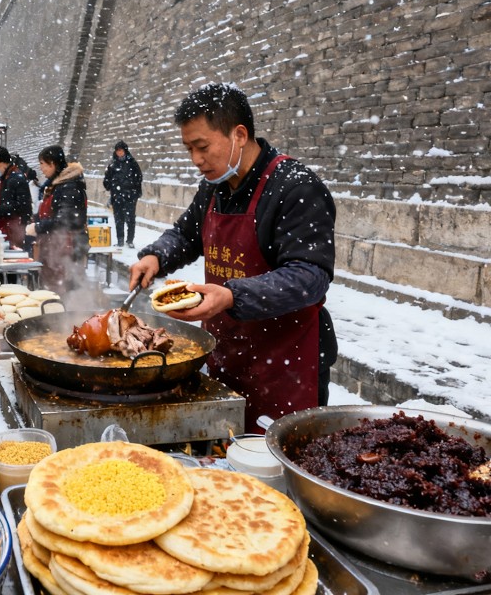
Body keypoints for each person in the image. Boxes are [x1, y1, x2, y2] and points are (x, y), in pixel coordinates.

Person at [128, 84, 338, 432]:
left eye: (202, 146)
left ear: (239, 134)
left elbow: (310, 276)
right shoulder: (215, 186)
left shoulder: (296, 187)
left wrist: (232, 295)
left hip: (285, 364)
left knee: (273, 472)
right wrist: (156, 257)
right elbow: (185, 234)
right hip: (229, 354)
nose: (196, 159)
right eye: (189, 149)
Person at [30, 146, 89, 292]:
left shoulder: (69, 187)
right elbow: (50, 213)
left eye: (43, 164)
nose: (41, 169)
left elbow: (64, 221)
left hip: (67, 251)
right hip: (54, 249)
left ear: (52, 163)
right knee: (53, 291)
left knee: (64, 292)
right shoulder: (57, 185)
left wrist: (38, 227)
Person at [104, 140, 143, 248]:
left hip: (130, 195)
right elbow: (107, 179)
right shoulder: (112, 164)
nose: (119, 153)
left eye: (121, 150)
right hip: (117, 196)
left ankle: (130, 240)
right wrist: (111, 186)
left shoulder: (132, 163)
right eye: (117, 151)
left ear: (125, 151)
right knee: (118, 219)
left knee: (130, 218)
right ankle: (120, 240)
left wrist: (133, 190)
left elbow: (139, 177)